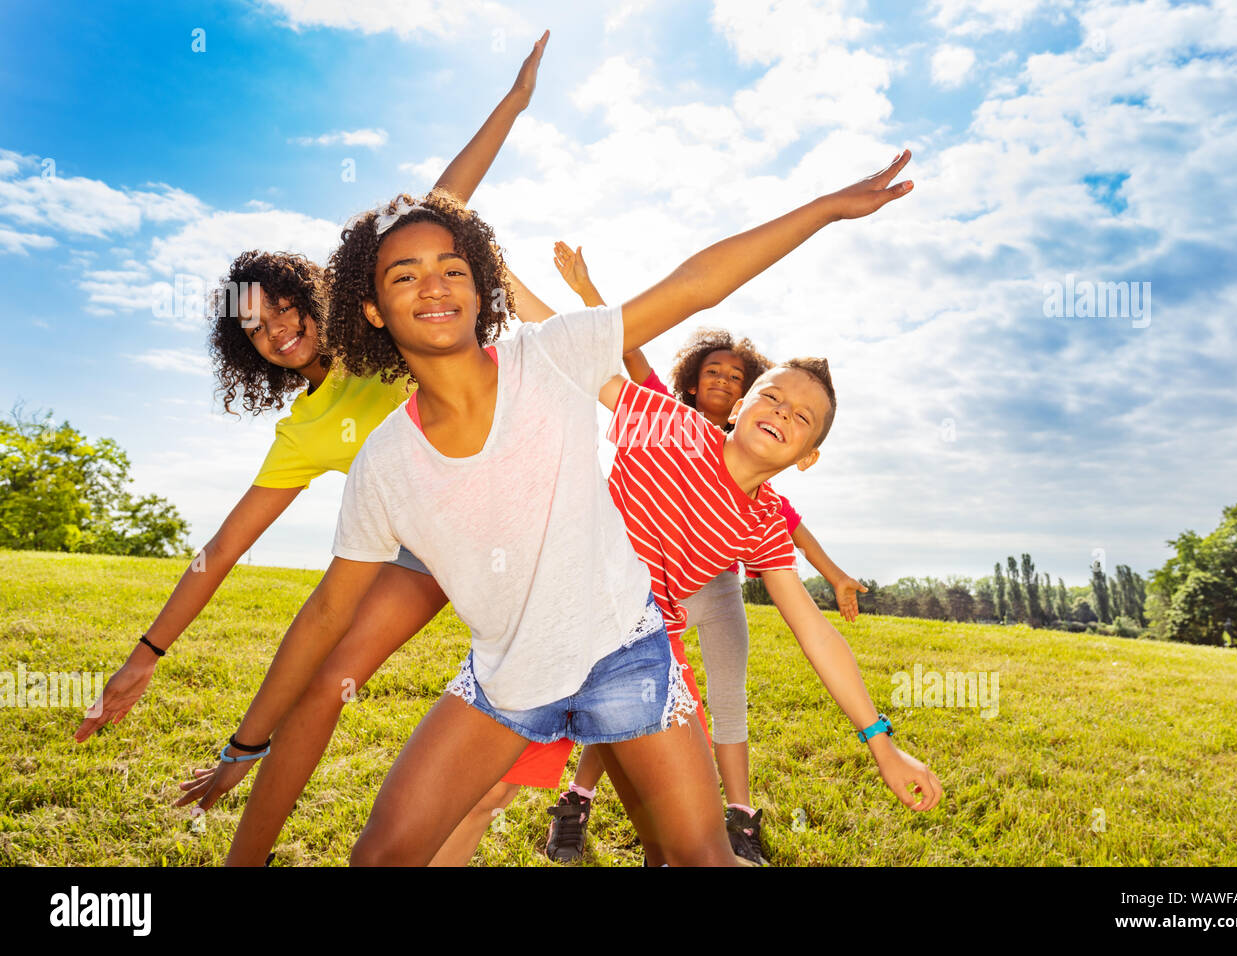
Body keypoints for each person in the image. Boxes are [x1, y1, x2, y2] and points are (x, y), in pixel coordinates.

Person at [176, 147, 921, 867]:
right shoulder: (385, 464)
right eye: (406, 275)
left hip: (628, 657)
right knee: (381, 854)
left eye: (453, 268)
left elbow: (695, 284)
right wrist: (246, 740)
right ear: (371, 310)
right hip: (508, 682)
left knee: (694, 853)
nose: (433, 285)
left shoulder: (551, 356)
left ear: (481, 289)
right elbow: (328, 616)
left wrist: (826, 208)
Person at [72, 32, 551, 748]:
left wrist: (512, 105)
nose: (277, 330)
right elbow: (223, 549)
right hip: (432, 545)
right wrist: (145, 658)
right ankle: (245, 756)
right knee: (327, 674)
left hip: (523, 494)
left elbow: (445, 201)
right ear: (248, 350)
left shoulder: (384, 329)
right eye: (257, 329)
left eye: (283, 307)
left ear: (311, 295)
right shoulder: (304, 431)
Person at [540, 241, 868, 864]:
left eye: (737, 376)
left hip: (695, 591)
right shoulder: (670, 420)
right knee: (498, 777)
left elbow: (792, 541)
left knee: (707, 698)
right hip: (602, 597)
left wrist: (837, 576)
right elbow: (612, 352)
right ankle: (581, 798)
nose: (726, 383)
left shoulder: (765, 504)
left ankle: (732, 815)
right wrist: (584, 296)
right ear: (699, 384)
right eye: (714, 374)